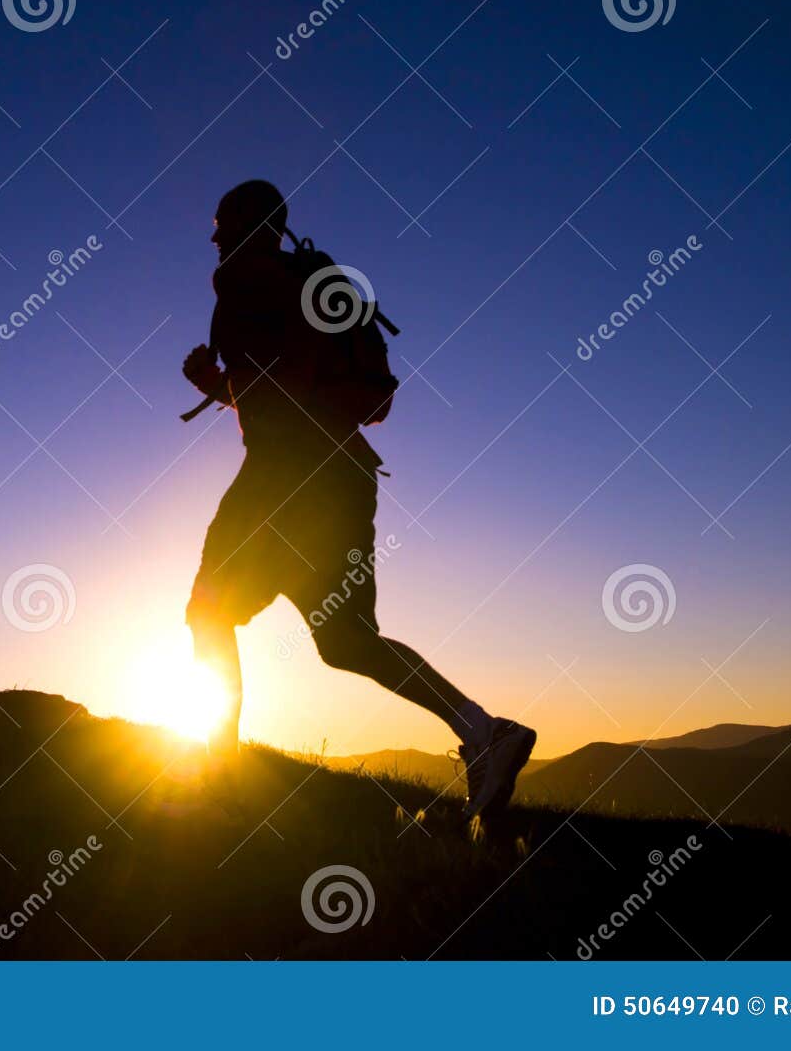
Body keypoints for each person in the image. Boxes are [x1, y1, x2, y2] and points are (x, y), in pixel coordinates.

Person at [181, 179, 536, 819]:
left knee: (208, 612)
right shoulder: (317, 286)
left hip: (280, 479)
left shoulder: (245, 283)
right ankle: (485, 731)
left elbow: (271, 394)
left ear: (239, 227)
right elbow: (369, 401)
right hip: (345, 479)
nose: (215, 238)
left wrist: (214, 381)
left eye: (221, 225)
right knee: (347, 639)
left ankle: (217, 778)